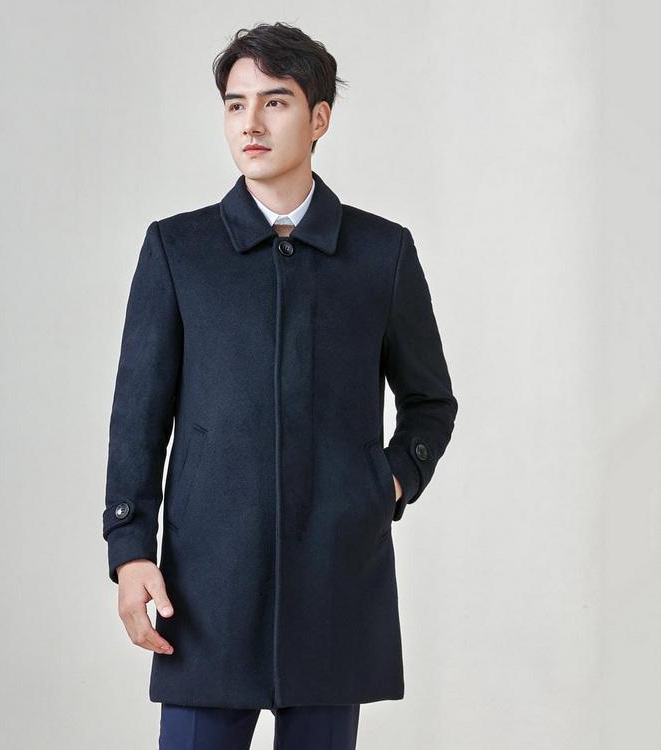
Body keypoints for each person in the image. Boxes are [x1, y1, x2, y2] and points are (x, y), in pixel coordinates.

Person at [101, 21, 458, 750]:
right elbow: (139, 415)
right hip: (207, 589)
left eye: (276, 101)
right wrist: (131, 547)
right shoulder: (179, 250)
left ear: (319, 117)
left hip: (334, 582)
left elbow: (430, 402)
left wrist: (385, 484)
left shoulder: (381, 254)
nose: (251, 124)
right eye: (236, 104)